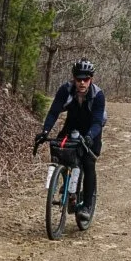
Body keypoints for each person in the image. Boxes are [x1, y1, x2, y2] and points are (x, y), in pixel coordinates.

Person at [33, 59, 106, 220]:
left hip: (92, 130)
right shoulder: (65, 90)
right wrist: (45, 131)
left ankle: (87, 205)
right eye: (78, 78)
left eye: (85, 79)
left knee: (88, 163)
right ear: (73, 78)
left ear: (91, 79)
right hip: (72, 125)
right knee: (60, 151)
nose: (81, 82)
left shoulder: (98, 95)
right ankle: (68, 185)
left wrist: (89, 137)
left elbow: (97, 122)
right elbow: (53, 112)